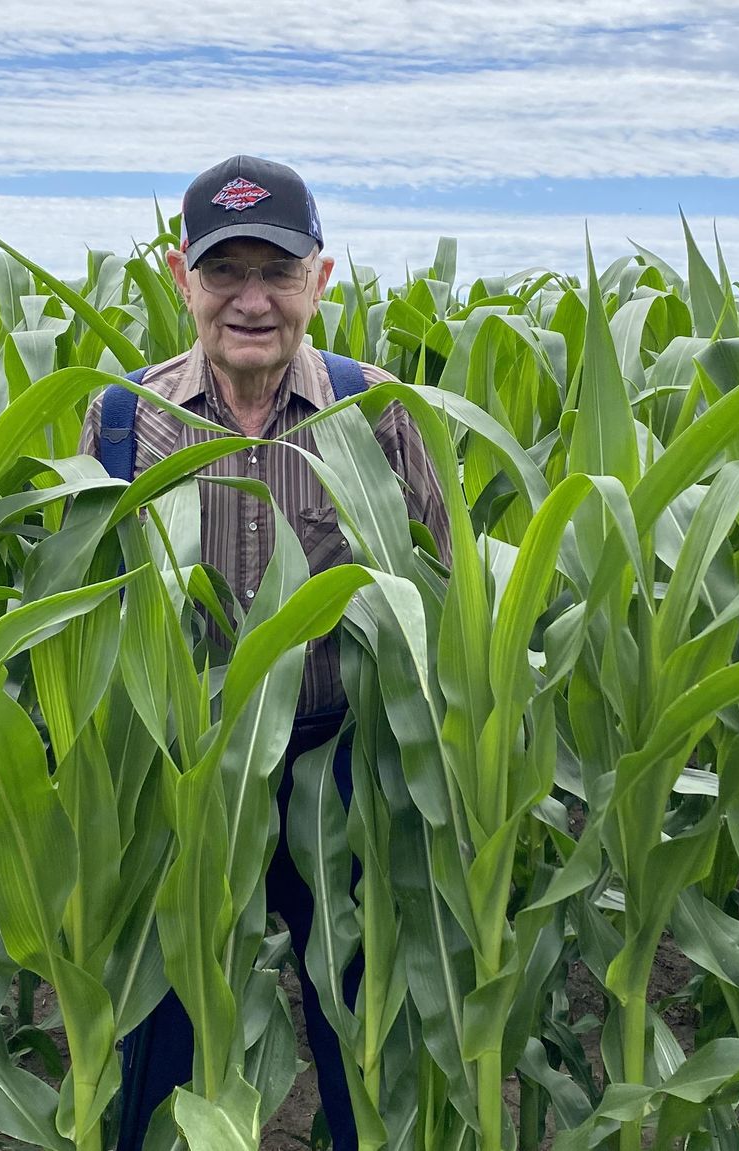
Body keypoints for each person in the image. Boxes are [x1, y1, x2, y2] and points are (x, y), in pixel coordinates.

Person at [79, 155, 451, 1151]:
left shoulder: (377, 413)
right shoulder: (122, 420)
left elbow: (443, 598)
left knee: (364, 1047)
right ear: (179, 276)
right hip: (186, 783)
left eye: (276, 273)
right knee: (159, 1053)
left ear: (319, 280)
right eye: (223, 271)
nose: (251, 300)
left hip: (341, 775)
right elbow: (81, 609)